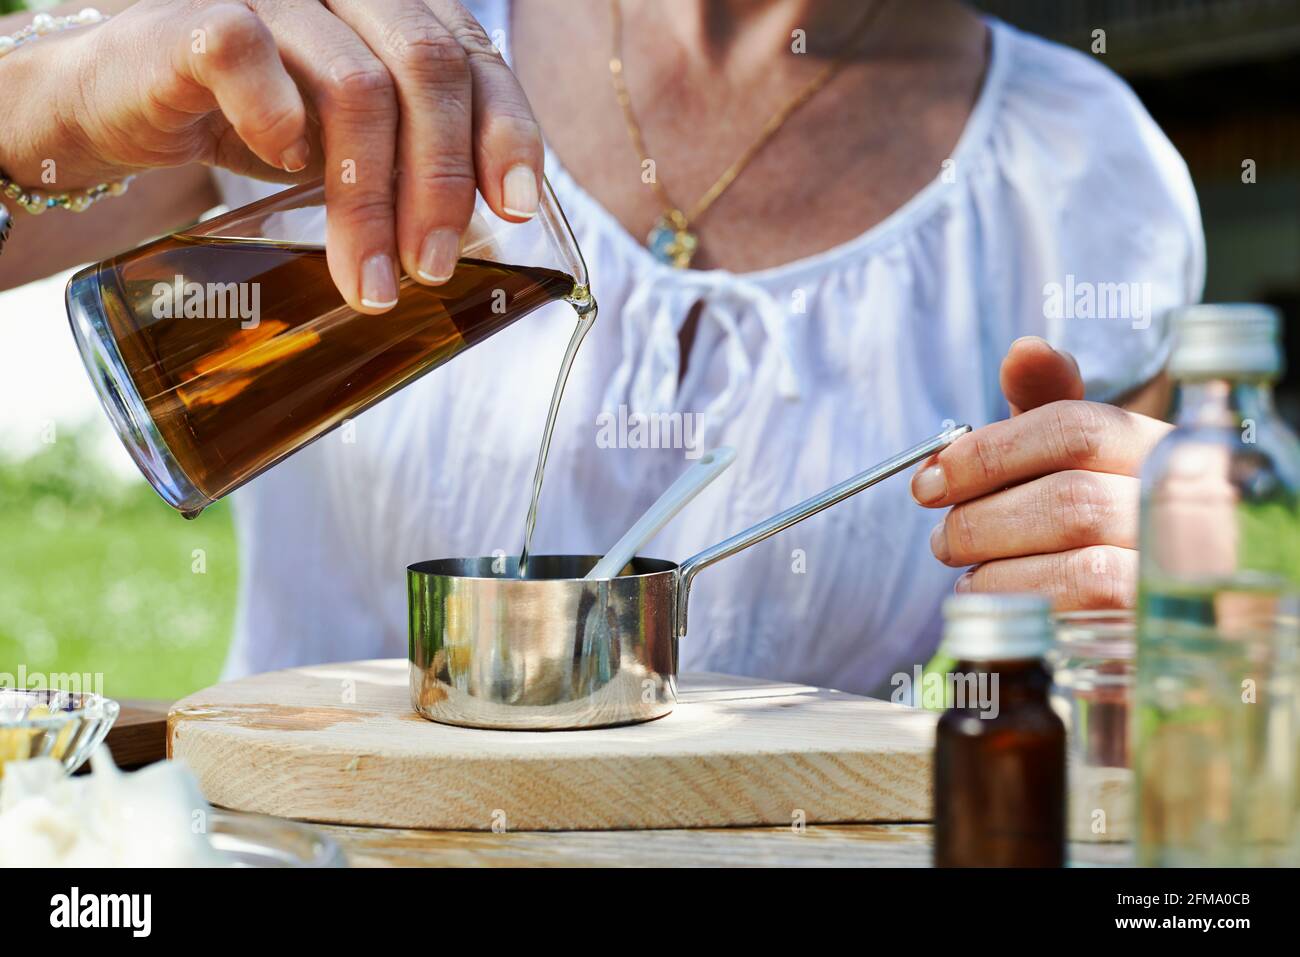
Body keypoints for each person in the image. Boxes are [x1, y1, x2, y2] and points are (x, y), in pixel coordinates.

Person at [0, 0, 1203, 695]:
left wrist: (1167, 641)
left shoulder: (1092, 179)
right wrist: (33, 112)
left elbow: (1097, 705)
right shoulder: (354, 23)